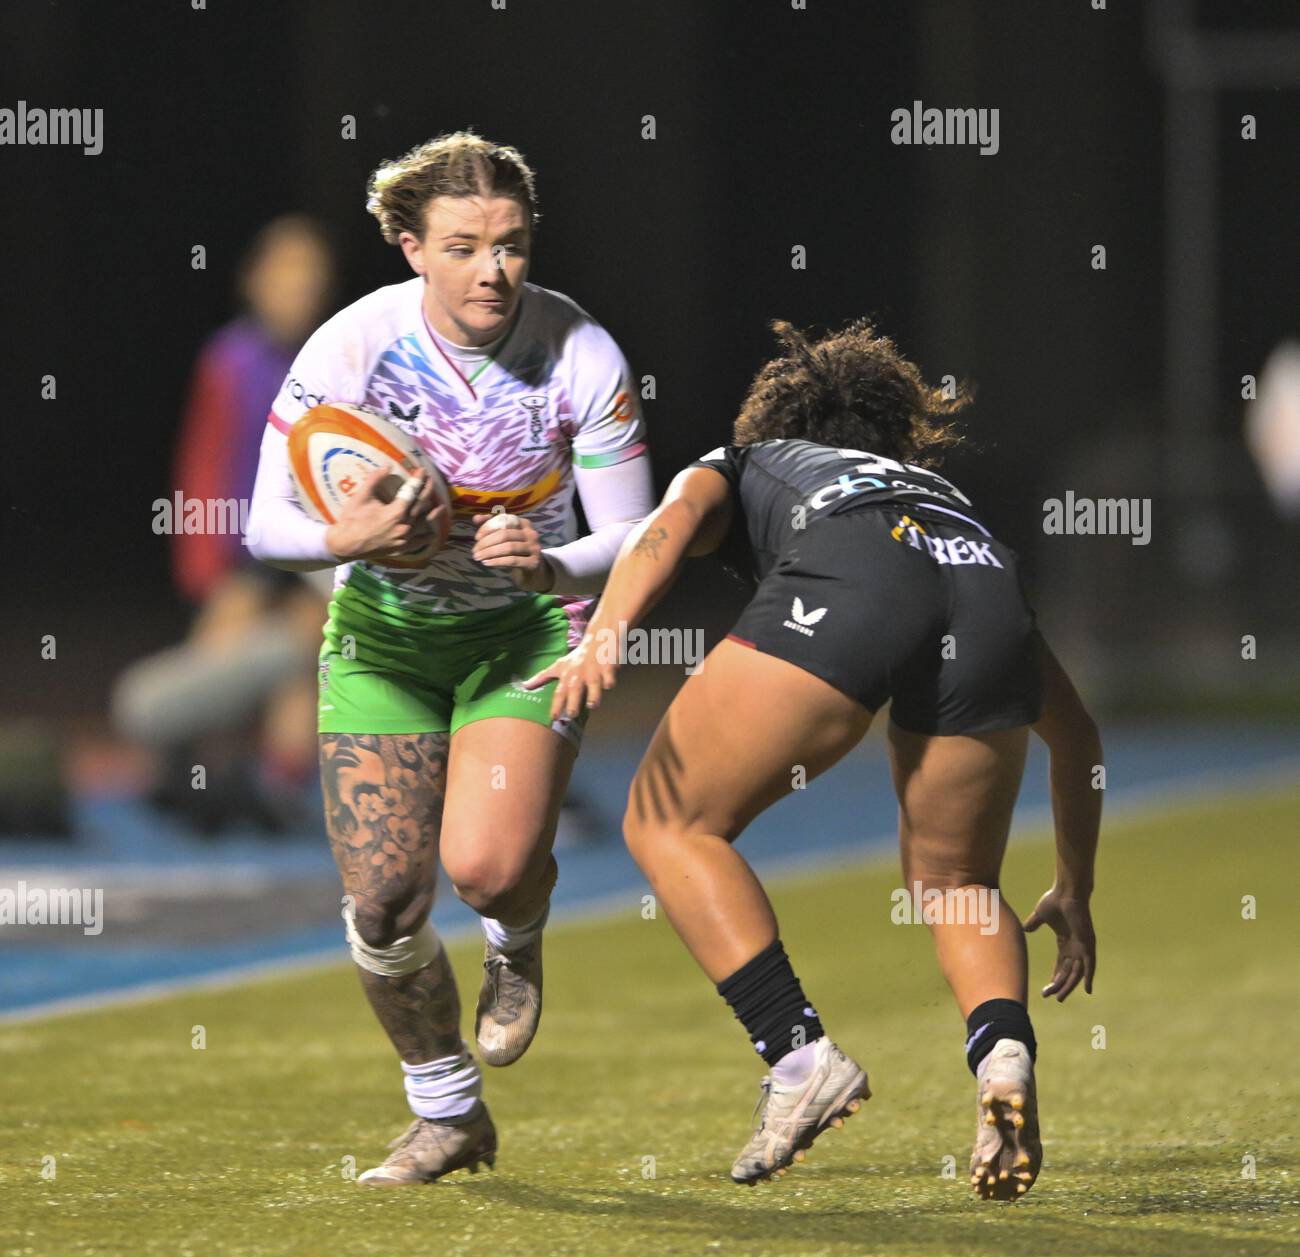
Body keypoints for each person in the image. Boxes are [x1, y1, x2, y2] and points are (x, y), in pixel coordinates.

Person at [527, 318, 1101, 1199]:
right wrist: (1074, 887)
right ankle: (1004, 1058)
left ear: (778, 418)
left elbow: (661, 530)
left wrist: (605, 633)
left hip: (854, 578)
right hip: (987, 588)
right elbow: (1078, 737)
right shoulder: (941, 500)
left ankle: (798, 1057)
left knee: (668, 819)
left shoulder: (753, 459)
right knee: (956, 880)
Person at [246, 132, 654, 1186]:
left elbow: (637, 532)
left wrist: (554, 555)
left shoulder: (581, 354)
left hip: (523, 635)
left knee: (484, 864)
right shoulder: (351, 347)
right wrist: (347, 542)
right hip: (382, 639)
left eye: (512, 245)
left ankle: (515, 935)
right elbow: (260, 523)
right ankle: (446, 1109)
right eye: (466, 246)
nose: (493, 271)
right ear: (408, 246)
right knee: (382, 901)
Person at [113, 217, 338, 834]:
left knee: (309, 659)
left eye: (312, 277)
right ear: (256, 280)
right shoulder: (229, 360)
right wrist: (209, 573)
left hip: (307, 554)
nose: (301, 288)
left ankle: (273, 785)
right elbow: (204, 467)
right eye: (289, 273)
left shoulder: (329, 363)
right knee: (220, 669)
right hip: (238, 553)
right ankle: (184, 776)